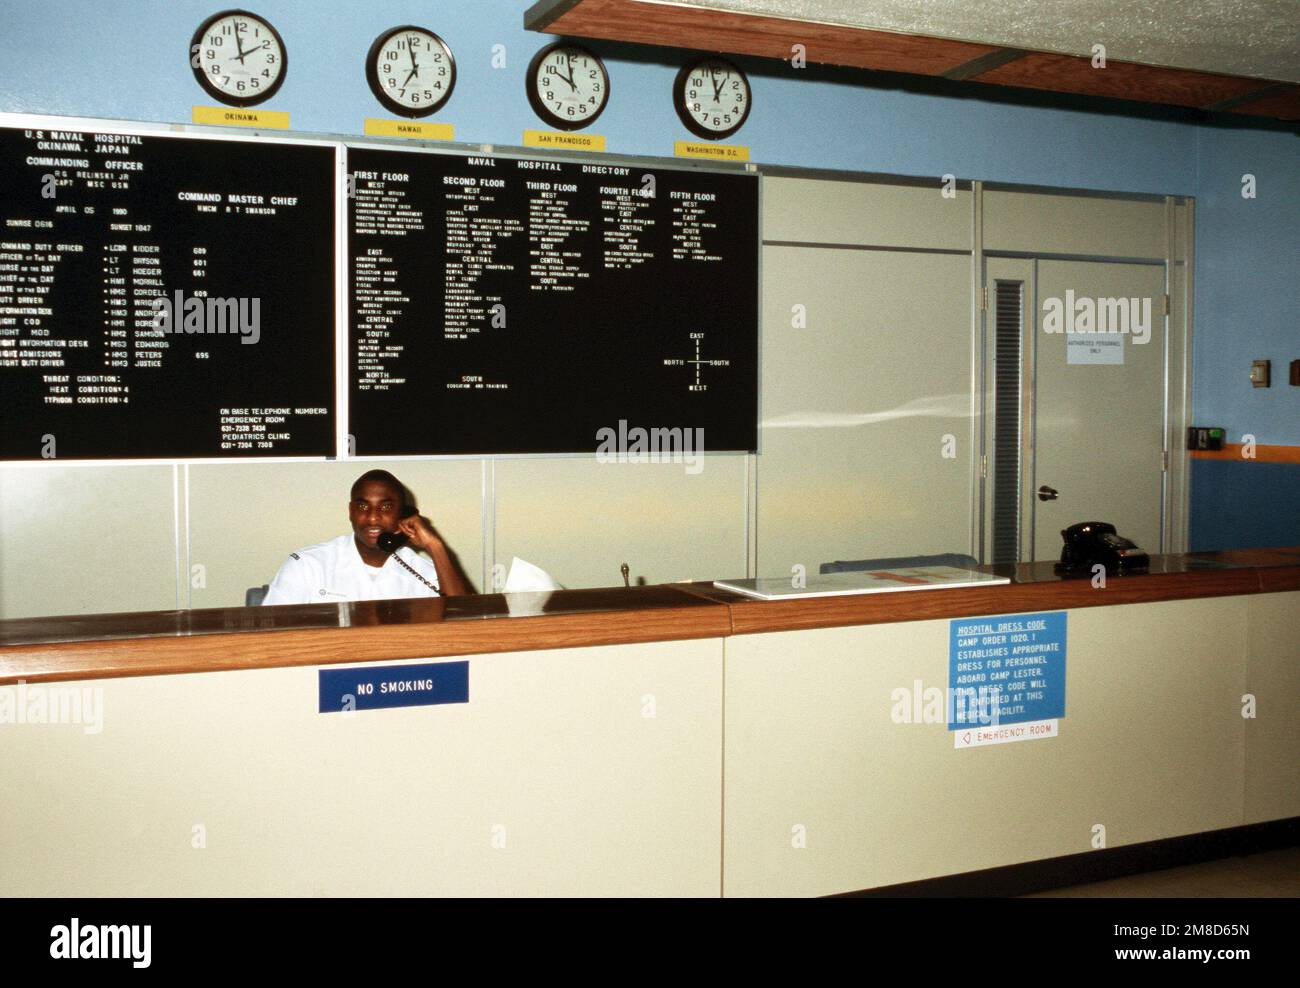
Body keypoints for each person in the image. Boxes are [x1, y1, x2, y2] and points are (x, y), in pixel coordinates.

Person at [262, 470, 470, 605]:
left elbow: (467, 626)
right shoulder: (307, 566)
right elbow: (269, 639)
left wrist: (435, 546)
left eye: (386, 507)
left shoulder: (424, 572)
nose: (372, 518)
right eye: (363, 506)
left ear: (404, 514)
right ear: (351, 511)